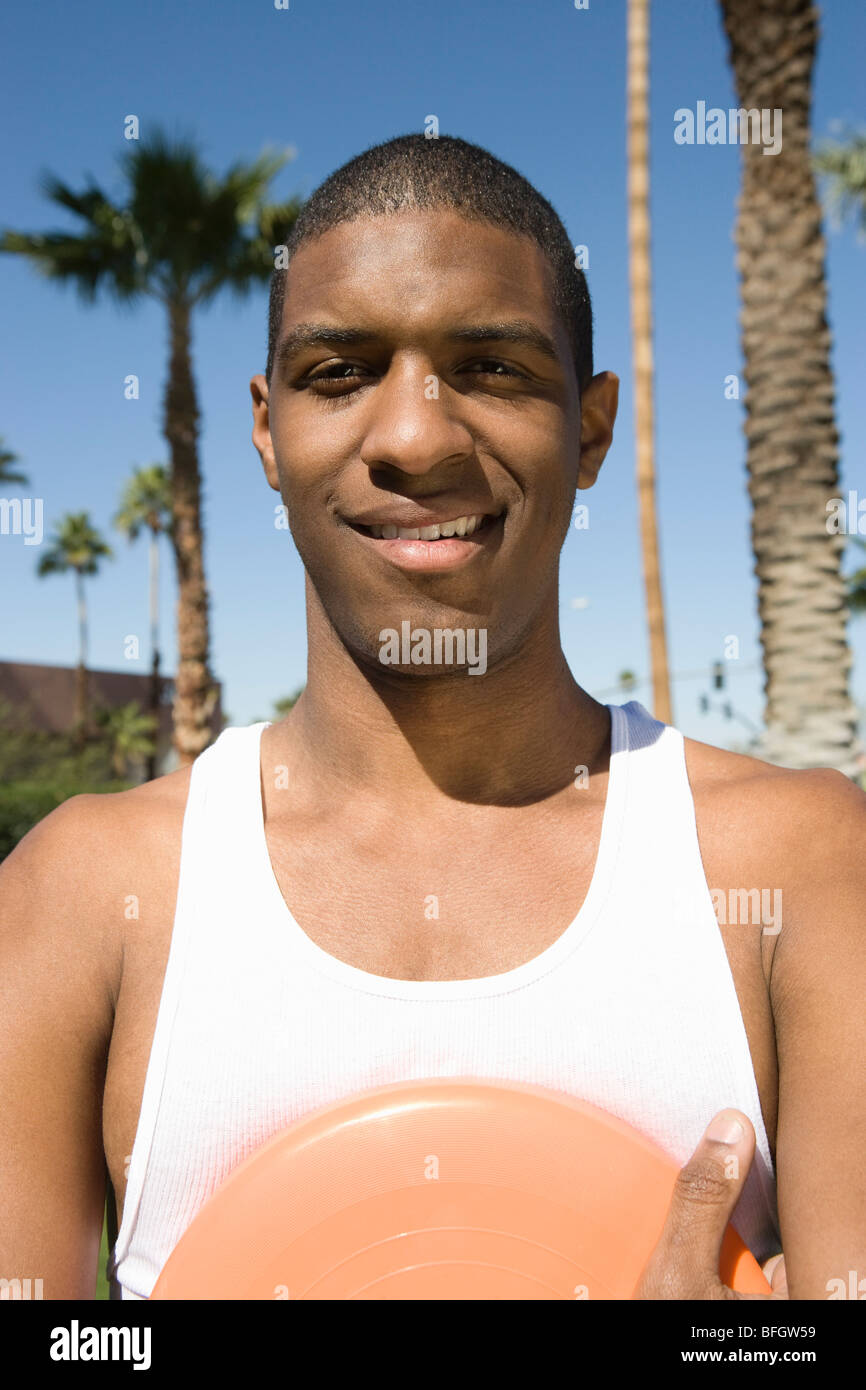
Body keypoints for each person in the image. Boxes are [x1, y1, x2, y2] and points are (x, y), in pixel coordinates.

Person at [1, 134, 863, 1302]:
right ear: (267, 430)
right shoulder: (84, 892)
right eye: (338, 373)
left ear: (590, 429)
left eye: (492, 368)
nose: (413, 438)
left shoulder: (797, 862)